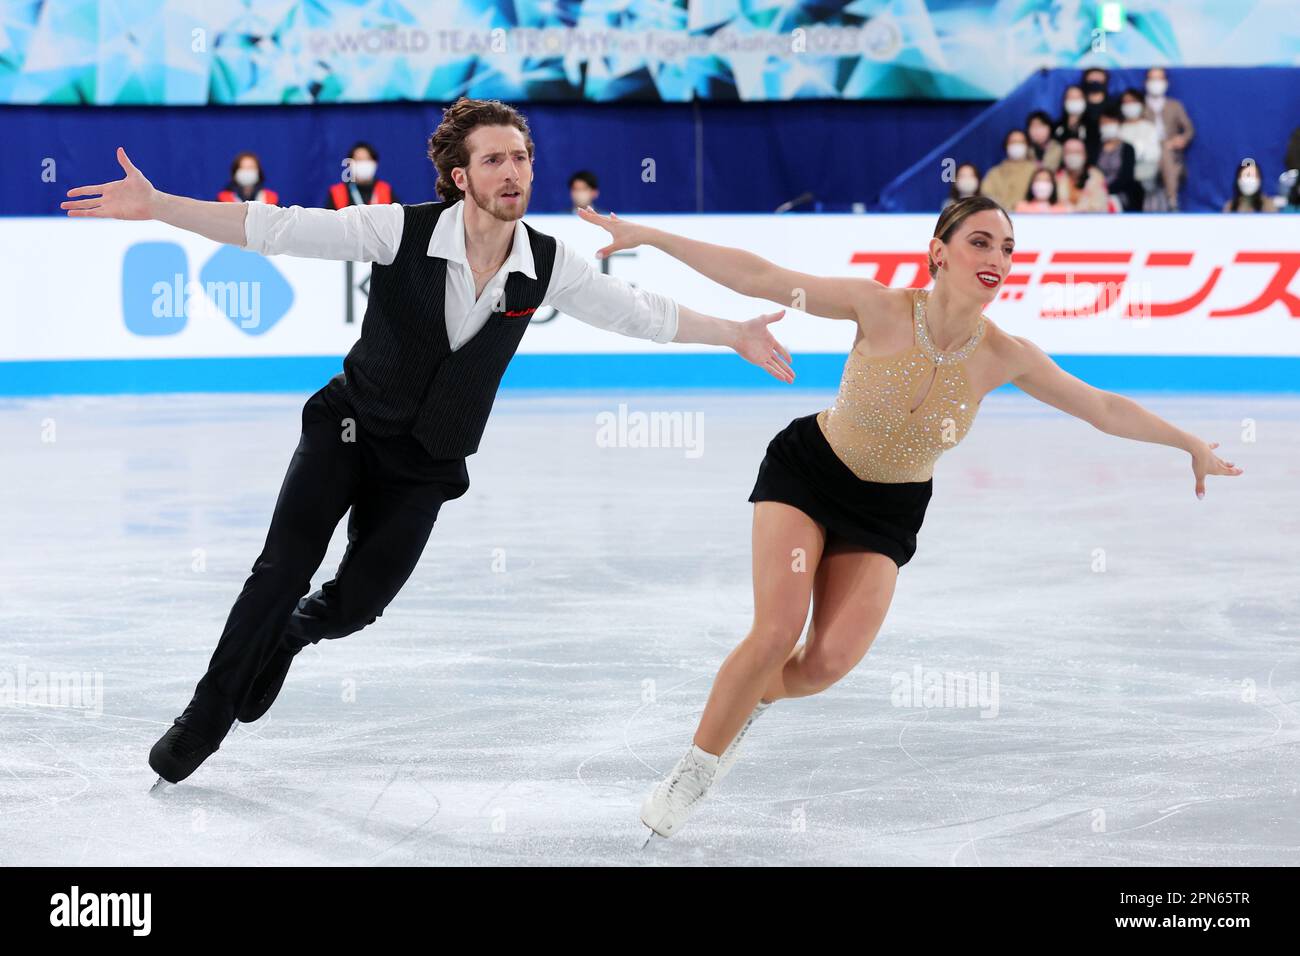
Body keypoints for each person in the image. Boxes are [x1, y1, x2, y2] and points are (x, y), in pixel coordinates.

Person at [61, 97, 796, 786]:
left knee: (354, 605)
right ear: (460, 177)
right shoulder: (396, 230)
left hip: (428, 462)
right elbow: (275, 228)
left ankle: (287, 639)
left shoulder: (546, 262)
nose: (513, 172)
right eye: (494, 160)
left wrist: (731, 332)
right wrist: (158, 207)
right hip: (347, 429)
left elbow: (637, 312)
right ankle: (206, 717)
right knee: (281, 567)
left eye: (521, 157)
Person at [577, 196, 1243, 840]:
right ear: (939, 253)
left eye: (1007, 248)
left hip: (888, 510)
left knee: (827, 662)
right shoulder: (879, 307)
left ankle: (748, 697)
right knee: (776, 632)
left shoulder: (1004, 355)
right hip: (808, 474)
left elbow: (1100, 407)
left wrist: (1187, 443)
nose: (997, 257)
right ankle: (694, 771)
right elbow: (762, 276)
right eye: (980, 241)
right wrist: (655, 238)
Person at [1142, 67, 1194, 211]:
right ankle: (1171, 200)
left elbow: (1189, 130)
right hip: (1146, 153)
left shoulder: (1174, 105)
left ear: (1166, 82)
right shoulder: (1141, 105)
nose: (1156, 83)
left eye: (1159, 79)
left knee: (1166, 153)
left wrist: (1181, 139)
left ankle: (1171, 200)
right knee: (1162, 150)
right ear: (1146, 82)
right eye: (1153, 79)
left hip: (1171, 151)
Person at [1117, 88, 1162, 211]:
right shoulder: (1119, 129)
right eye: (1126, 102)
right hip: (1123, 174)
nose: (1130, 105)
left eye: (1133, 101)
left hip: (1145, 173)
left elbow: (1154, 154)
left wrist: (1136, 151)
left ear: (1141, 104)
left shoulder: (1149, 127)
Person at [1096, 105, 1143, 212]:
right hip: (1096, 192)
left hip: (1119, 193)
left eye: (1111, 122)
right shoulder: (1095, 148)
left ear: (1119, 124)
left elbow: (1126, 176)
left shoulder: (1128, 148)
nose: (1108, 126)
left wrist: (1106, 190)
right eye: (1104, 123)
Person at [326, 141, 398, 209]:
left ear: (375, 163)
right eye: (359, 159)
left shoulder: (386, 190)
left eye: (367, 159)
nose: (363, 163)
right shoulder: (337, 193)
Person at [979, 129, 1036, 212]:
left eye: (1021, 142)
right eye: (1013, 142)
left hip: (1029, 218)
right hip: (999, 218)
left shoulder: (1035, 171)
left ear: (1027, 146)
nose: (1017, 145)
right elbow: (986, 195)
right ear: (1006, 145)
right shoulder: (994, 173)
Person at [1054, 136, 1110, 212]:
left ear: (1085, 155)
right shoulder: (1057, 177)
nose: (1073, 156)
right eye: (1069, 152)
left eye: (1077, 152)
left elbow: (1100, 206)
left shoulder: (1097, 177)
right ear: (1063, 156)